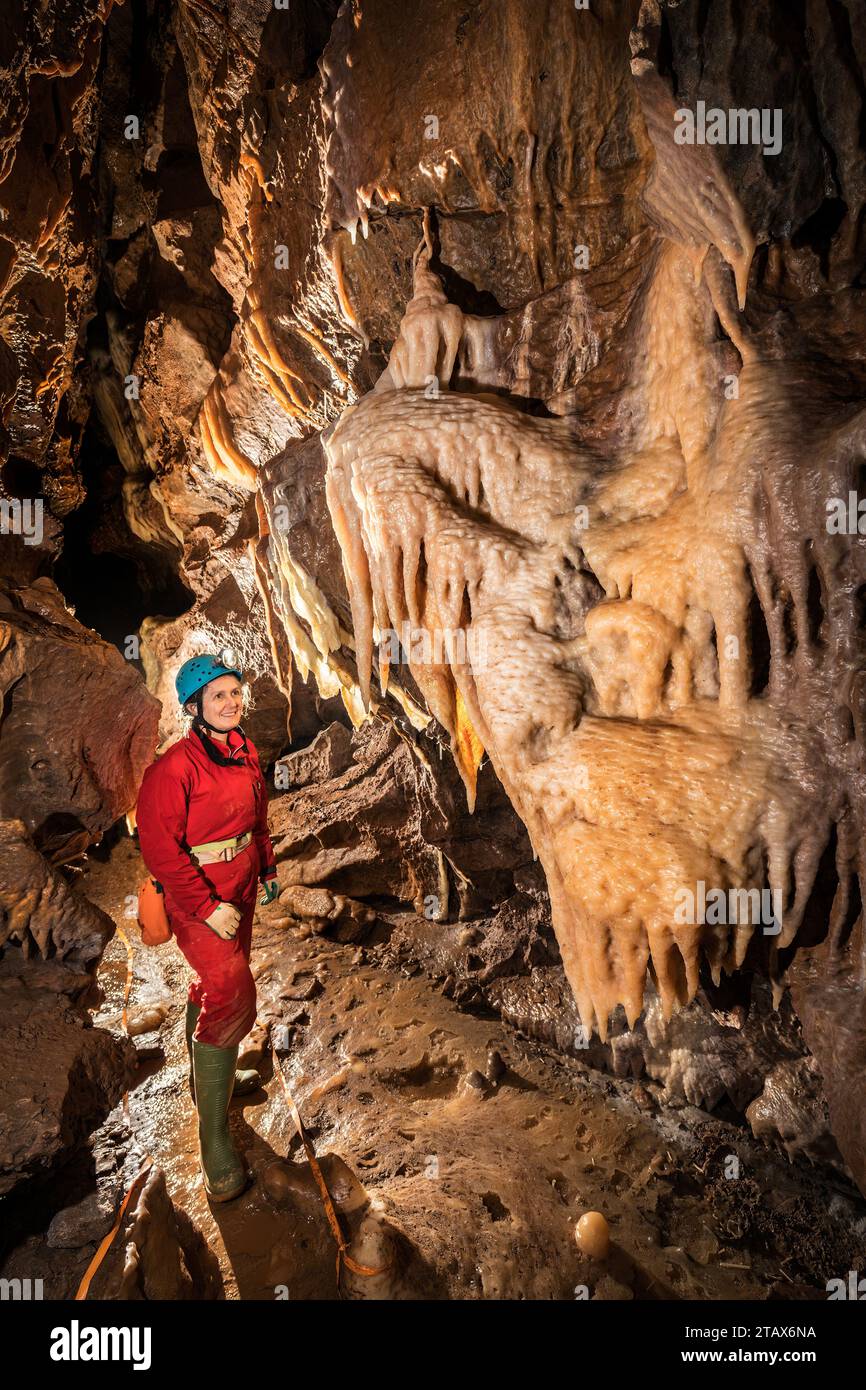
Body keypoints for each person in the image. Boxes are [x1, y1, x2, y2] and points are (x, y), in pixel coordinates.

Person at [135, 652, 279, 1202]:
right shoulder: (173, 769)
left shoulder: (244, 752)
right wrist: (203, 905)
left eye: (234, 692)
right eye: (217, 696)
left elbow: (255, 819)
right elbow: (161, 854)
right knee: (234, 992)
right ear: (194, 707)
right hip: (203, 901)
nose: (230, 702)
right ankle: (212, 1135)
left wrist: (265, 866)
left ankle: (206, 1086)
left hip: (241, 888)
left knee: (214, 988)